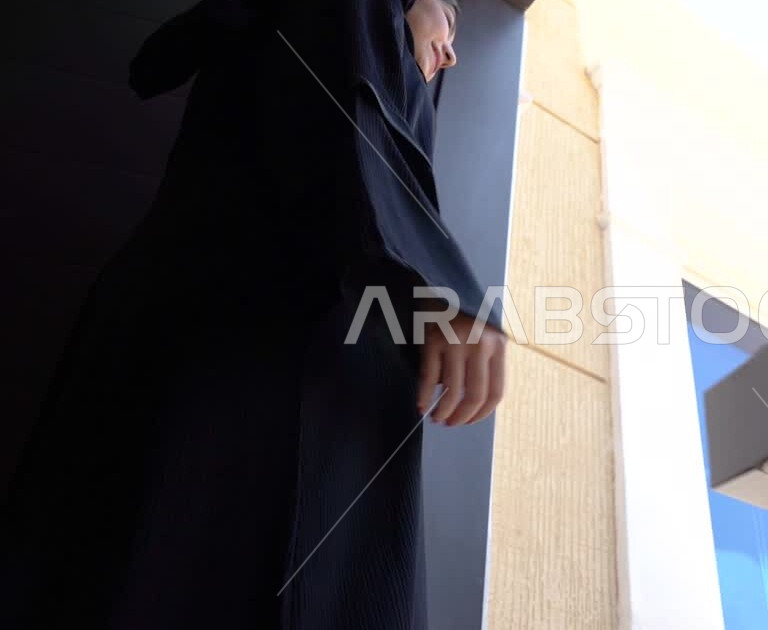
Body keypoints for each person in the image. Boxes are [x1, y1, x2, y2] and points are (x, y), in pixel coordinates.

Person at [0, 1, 504, 628]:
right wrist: (430, 279)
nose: (449, 50)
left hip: (287, 349)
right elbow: (339, 117)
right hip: (237, 339)